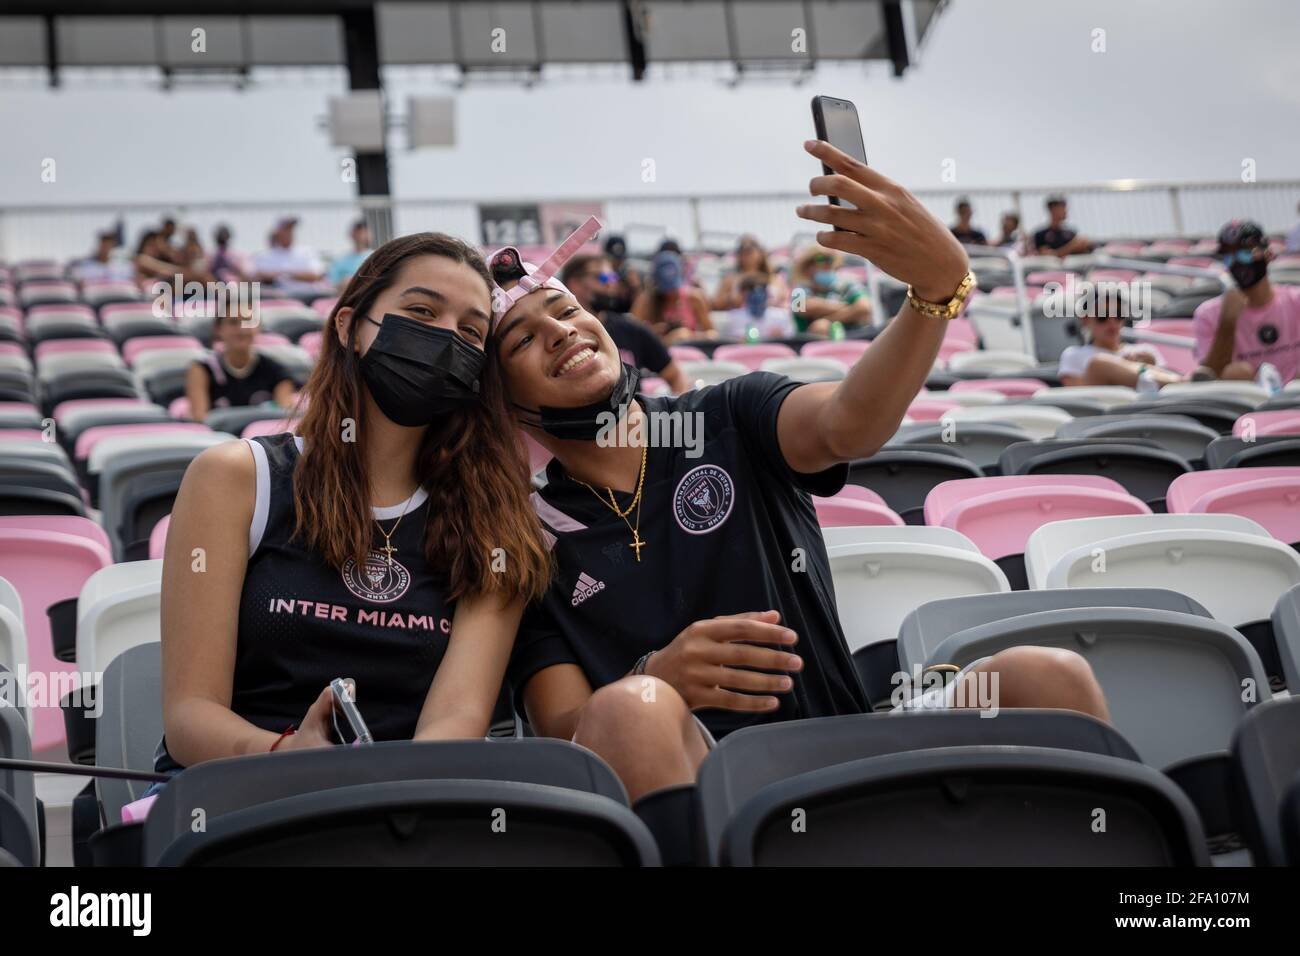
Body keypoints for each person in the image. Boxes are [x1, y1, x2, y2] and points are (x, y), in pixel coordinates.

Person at [489, 146, 1109, 804]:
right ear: (503, 403)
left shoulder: (729, 412)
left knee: (1047, 679)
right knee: (635, 709)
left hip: (847, 750)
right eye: (523, 339)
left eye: (565, 309)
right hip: (712, 788)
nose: (559, 331)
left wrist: (935, 293)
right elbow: (564, 730)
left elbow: (848, 425)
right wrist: (657, 676)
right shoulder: (526, 536)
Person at [156, 232, 550, 778]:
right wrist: (286, 755)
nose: (445, 339)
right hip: (248, 796)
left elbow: (454, 722)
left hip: (408, 812)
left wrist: (377, 803)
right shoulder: (236, 479)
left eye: (469, 331)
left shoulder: (495, 516)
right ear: (349, 328)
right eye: (420, 311)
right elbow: (189, 716)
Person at [560, 253, 690, 394]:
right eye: (603, 278)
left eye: (613, 277)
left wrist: (677, 413)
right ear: (575, 283)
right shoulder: (559, 335)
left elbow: (676, 375)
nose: (611, 284)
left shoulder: (631, 329)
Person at [1193, 219, 1300, 383]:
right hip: (1247, 404)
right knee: (1238, 372)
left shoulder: (1295, 301)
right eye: (1228, 255)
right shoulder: (1208, 314)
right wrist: (1227, 323)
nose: (1236, 262)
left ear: (1269, 254)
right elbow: (1210, 377)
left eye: (1245, 252)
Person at [184, 306, 298, 421]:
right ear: (218, 329)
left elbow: (285, 415)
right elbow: (200, 419)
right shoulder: (201, 369)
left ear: (258, 327)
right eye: (233, 322)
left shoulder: (276, 370)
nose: (242, 329)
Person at [1057, 289, 1180, 388]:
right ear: (1085, 320)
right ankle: (1182, 382)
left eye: (1118, 315)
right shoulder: (1073, 354)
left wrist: (1151, 365)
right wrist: (1126, 368)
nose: (1112, 323)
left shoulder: (1146, 350)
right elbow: (1079, 397)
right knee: (1098, 364)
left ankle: (1182, 382)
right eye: (1103, 316)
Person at [631, 249, 714, 342]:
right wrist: (652, 332)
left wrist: (689, 335)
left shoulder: (694, 298)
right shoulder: (646, 301)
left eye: (672, 288)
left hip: (687, 351)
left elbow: (712, 333)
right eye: (665, 288)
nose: (669, 293)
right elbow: (631, 334)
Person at [789, 244, 872, 335]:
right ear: (808, 267)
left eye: (830, 259)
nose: (827, 263)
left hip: (851, 335)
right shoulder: (799, 290)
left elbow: (864, 307)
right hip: (808, 342)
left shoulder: (847, 284)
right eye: (820, 259)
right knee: (820, 329)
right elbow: (802, 308)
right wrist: (850, 308)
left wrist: (828, 321)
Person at [710, 235, 788, 311]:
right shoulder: (730, 280)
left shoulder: (774, 279)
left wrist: (772, 302)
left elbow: (786, 303)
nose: (746, 255)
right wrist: (732, 299)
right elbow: (715, 304)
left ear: (760, 253)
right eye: (742, 252)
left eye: (750, 251)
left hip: (770, 322)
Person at [719, 272, 796, 340]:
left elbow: (792, 341)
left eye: (761, 290)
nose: (757, 295)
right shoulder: (732, 318)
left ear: (767, 293)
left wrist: (781, 337)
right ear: (743, 295)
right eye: (751, 291)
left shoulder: (782, 316)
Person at [253, 217, 326, 287]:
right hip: (275, 294)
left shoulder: (306, 252)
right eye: (285, 229)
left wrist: (285, 274)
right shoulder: (264, 256)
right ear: (277, 232)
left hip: (306, 294)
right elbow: (256, 277)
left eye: (290, 229)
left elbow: (316, 275)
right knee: (248, 292)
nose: (288, 233)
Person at [328, 218, 374, 288]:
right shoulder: (340, 259)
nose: (361, 235)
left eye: (364, 231)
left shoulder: (375, 257)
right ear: (352, 234)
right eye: (358, 232)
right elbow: (332, 282)